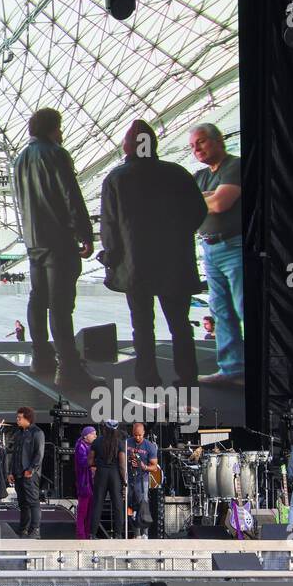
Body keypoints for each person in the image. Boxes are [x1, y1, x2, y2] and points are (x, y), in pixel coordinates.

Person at [99, 120, 207, 388]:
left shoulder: (116, 178)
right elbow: (199, 212)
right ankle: (187, 378)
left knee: (143, 327)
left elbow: (109, 225)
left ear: (127, 146)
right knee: (180, 326)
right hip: (175, 263)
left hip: (135, 267)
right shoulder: (178, 173)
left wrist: (111, 257)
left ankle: (147, 379)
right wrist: (180, 235)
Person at [10, 108, 103, 391]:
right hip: (58, 240)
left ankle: (41, 358)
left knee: (38, 299)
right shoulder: (55, 152)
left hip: (34, 240)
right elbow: (70, 193)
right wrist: (85, 233)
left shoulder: (20, 159)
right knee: (61, 305)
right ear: (54, 129)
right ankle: (69, 368)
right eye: (59, 128)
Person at [189, 123, 243, 387]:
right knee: (221, 311)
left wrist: (204, 199)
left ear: (218, 140)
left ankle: (263, 369)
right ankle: (232, 369)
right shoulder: (199, 176)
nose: (196, 148)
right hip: (209, 249)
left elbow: (222, 203)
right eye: (192, 145)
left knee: (244, 307)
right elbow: (182, 204)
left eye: (200, 142)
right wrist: (209, 197)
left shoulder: (234, 165)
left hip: (234, 246)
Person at [8, 406, 45, 537]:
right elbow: (15, 454)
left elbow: (39, 454)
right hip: (18, 473)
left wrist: (31, 470)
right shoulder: (18, 433)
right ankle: (23, 529)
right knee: (22, 503)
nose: (17, 420)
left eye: (19, 418)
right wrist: (11, 472)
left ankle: (35, 530)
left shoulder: (37, 433)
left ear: (27, 418)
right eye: (17, 418)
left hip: (30, 474)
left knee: (33, 502)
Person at [89, 420, 126, 539]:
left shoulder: (96, 441)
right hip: (115, 475)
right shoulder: (120, 443)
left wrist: (99, 463)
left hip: (101, 474)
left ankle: (92, 534)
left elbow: (89, 461)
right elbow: (122, 465)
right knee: (118, 505)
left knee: (98, 504)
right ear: (116, 429)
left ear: (105, 428)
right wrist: (124, 480)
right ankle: (118, 534)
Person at [125, 422, 159, 538]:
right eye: (135, 435)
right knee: (130, 506)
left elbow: (154, 467)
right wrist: (129, 460)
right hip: (128, 479)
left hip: (142, 480)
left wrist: (144, 466)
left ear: (144, 433)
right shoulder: (127, 443)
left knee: (142, 505)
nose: (137, 437)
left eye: (140, 435)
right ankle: (136, 534)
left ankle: (145, 534)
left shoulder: (149, 446)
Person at [74, 426, 97, 540]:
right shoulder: (81, 447)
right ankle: (81, 536)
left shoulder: (89, 446)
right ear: (86, 435)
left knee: (89, 512)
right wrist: (93, 464)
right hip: (84, 483)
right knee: (83, 511)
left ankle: (87, 535)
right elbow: (83, 462)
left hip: (90, 483)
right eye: (93, 434)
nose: (95, 436)